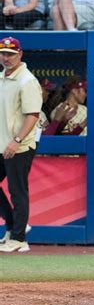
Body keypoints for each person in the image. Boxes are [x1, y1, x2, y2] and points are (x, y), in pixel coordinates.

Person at [0, 37, 42, 253]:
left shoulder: (27, 80)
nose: (6, 58)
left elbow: (33, 115)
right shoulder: (2, 78)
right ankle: (15, 225)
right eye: (3, 53)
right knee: (15, 191)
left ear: (20, 54)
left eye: (10, 54)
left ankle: (18, 239)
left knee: (17, 191)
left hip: (20, 145)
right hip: (1, 144)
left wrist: (16, 141)